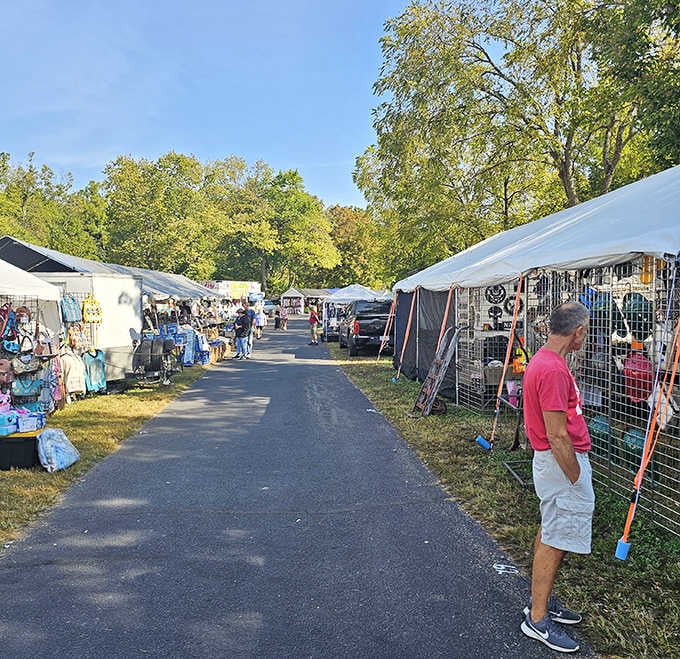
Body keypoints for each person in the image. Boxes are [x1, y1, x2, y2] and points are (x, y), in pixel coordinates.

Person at [520, 301, 594, 653]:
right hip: (560, 463)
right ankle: (537, 619)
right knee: (556, 537)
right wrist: (576, 477)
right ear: (577, 331)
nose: (586, 336)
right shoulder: (551, 369)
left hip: (556, 463)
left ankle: (541, 604)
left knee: (551, 529)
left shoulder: (548, 361)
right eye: (586, 331)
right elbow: (557, 435)